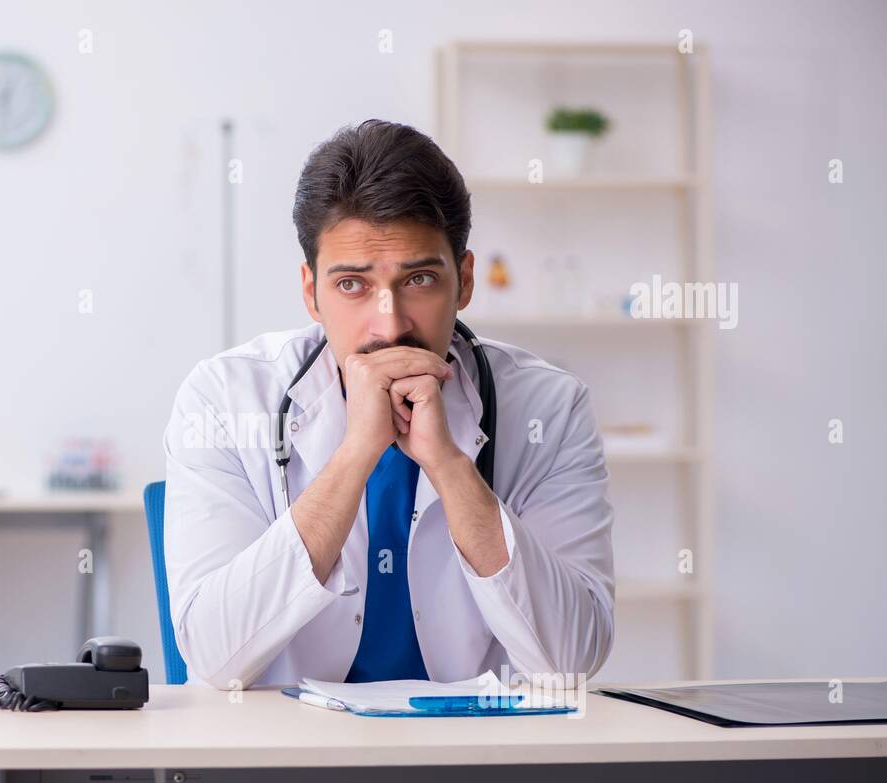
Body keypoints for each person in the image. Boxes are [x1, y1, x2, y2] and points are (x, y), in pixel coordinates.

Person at [162, 119, 614, 690]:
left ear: (465, 280)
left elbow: (570, 659)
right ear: (311, 292)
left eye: (419, 279)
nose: (390, 323)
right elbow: (214, 658)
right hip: (288, 758)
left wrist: (451, 467)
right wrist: (355, 455)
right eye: (351, 284)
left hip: (476, 761)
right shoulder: (224, 400)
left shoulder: (548, 406)